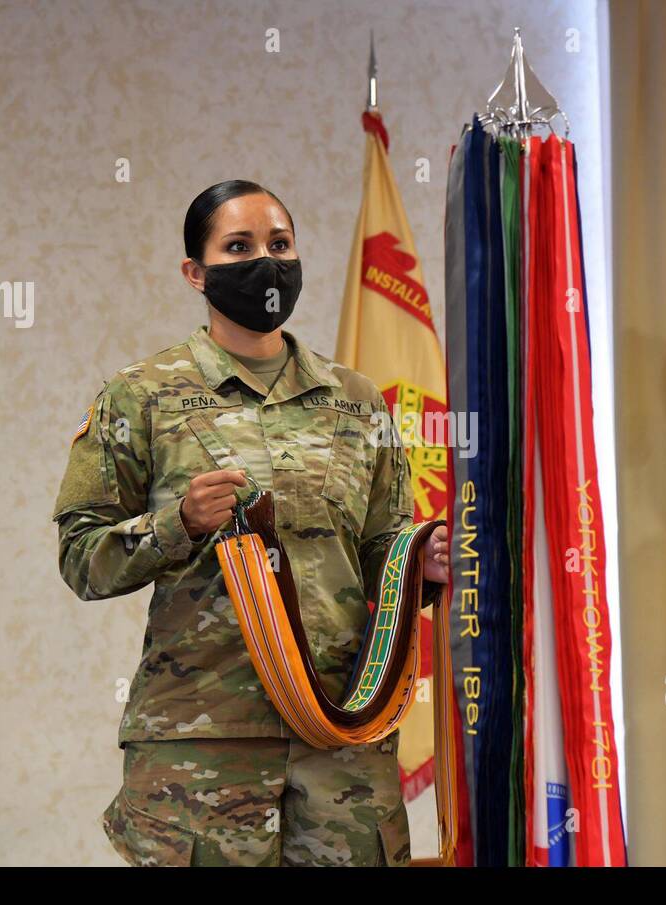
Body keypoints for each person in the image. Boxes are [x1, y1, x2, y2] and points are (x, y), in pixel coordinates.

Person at [52, 180, 449, 866]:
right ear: (196, 273)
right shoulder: (143, 394)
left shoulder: (354, 401)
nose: (265, 261)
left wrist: (423, 564)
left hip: (341, 737)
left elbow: (383, 541)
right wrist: (177, 522)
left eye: (280, 244)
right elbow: (82, 557)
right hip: (204, 745)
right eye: (239, 247)